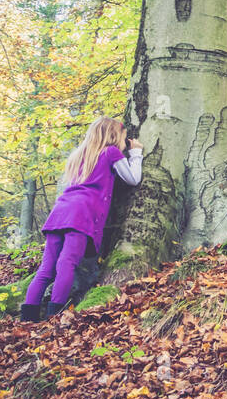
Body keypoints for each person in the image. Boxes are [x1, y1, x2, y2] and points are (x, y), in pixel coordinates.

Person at [19, 117, 142, 322]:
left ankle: (27, 315)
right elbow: (133, 178)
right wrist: (136, 153)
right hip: (81, 213)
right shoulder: (110, 152)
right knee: (67, 263)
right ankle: (54, 314)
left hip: (60, 211)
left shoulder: (79, 155)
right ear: (113, 135)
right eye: (122, 136)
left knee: (47, 268)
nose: (124, 140)